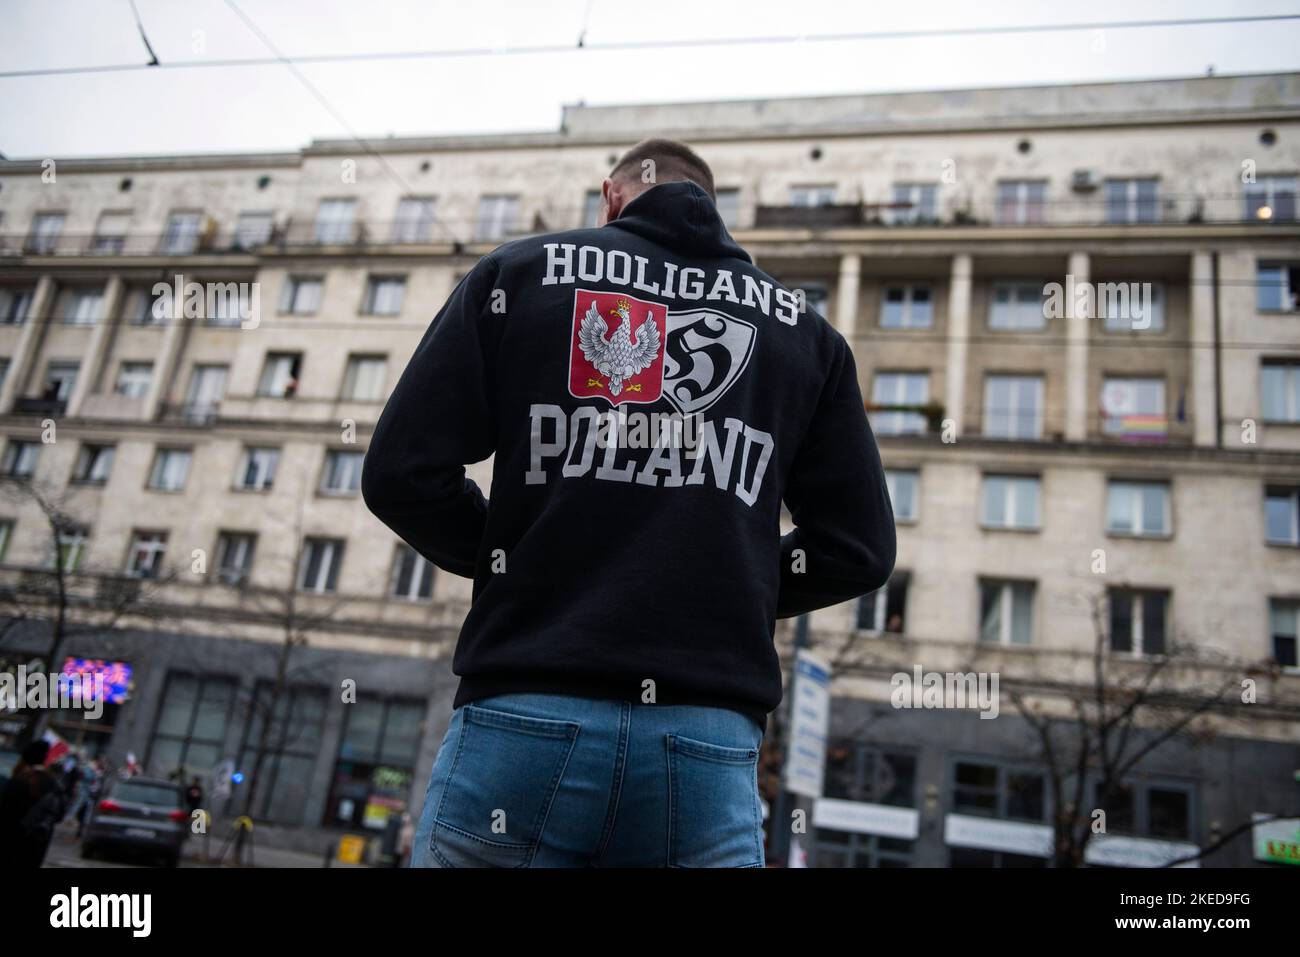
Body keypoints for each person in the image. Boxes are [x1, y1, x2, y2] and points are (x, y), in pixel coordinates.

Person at [363, 138, 895, 868]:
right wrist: (736, 589)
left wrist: (511, 558)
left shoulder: (518, 275)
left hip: (525, 710)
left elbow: (400, 473)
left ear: (613, 196)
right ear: (714, 206)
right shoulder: (808, 335)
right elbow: (859, 546)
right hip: (705, 743)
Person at [0, 739, 68, 867]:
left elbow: (5, 810)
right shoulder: (53, 783)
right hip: (37, 843)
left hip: (12, 841)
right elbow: (59, 813)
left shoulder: (19, 780)